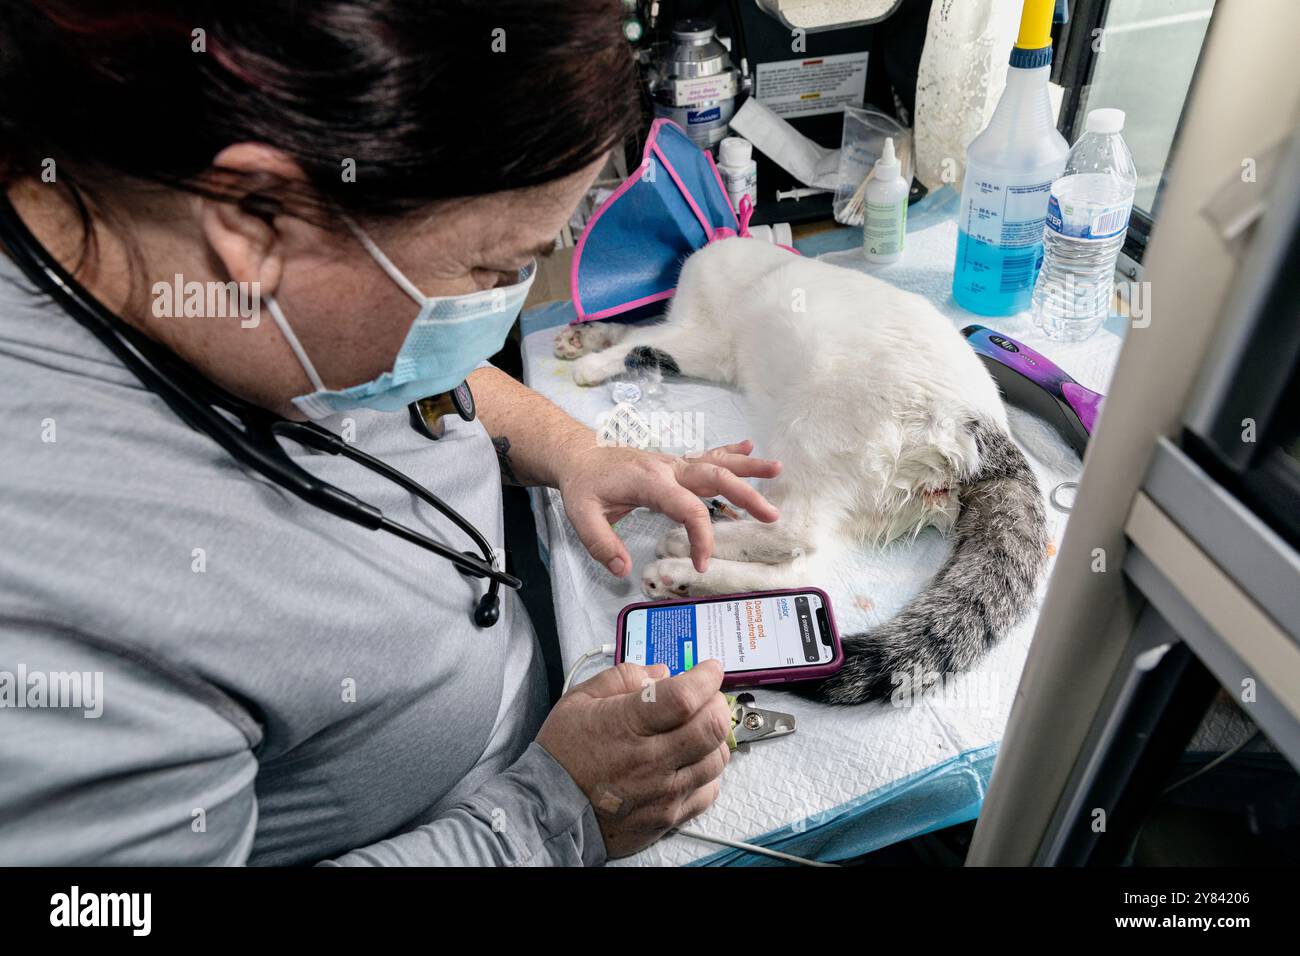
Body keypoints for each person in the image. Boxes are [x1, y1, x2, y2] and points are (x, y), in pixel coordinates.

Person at [0, 0, 782, 865]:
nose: (498, 316)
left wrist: (572, 450)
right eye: (490, 272)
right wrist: (551, 816)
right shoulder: (53, 623)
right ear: (256, 221)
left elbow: (408, 360)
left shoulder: (208, 275)